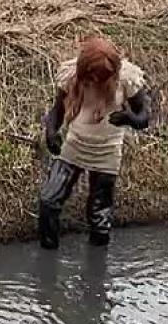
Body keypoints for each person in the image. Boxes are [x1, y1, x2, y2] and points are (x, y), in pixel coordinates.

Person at [39, 35, 150, 249]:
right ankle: (48, 257)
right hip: (74, 146)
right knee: (49, 202)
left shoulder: (126, 78)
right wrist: (51, 132)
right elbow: (56, 112)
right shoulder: (72, 76)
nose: (96, 84)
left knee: (99, 216)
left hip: (107, 153)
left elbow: (143, 118)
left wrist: (129, 119)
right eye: (92, 79)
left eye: (101, 79)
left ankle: (97, 270)